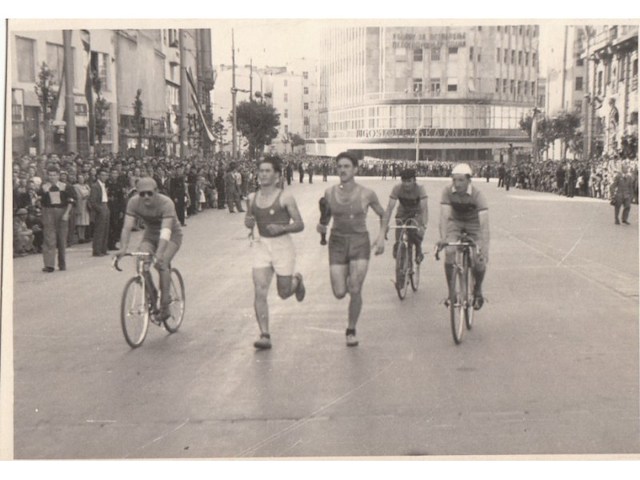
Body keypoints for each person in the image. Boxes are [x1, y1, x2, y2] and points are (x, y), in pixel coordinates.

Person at [318, 151, 385, 347]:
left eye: (347, 166)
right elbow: (325, 218)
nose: (342, 170)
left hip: (359, 242)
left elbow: (383, 214)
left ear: (355, 169)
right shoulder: (329, 193)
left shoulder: (366, 193)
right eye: (339, 166)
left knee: (355, 289)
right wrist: (321, 226)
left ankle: (351, 329)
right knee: (339, 292)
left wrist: (381, 237)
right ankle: (350, 281)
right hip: (337, 242)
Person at [244, 156, 306, 350]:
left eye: (267, 171)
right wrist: (249, 222)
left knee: (284, 292)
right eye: (261, 170)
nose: (263, 174)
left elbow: (299, 224)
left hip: (282, 246)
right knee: (260, 289)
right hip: (261, 245)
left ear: (277, 175)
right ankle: (264, 334)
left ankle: (296, 281)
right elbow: (249, 219)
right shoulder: (252, 198)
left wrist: (282, 228)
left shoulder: (285, 197)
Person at [116, 177, 183, 322]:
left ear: (156, 192)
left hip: (172, 235)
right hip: (150, 235)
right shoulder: (133, 202)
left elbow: (166, 231)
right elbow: (127, 227)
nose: (146, 196)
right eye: (142, 194)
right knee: (141, 262)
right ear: (137, 193)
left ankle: (165, 307)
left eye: (149, 193)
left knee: (162, 263)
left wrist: (159, 254)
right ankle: (152, 295)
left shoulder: (166, 203)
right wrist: (123, 248)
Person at [437, 163, 490, 310]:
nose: (457, 184)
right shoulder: (447, 191)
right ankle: (451, 292)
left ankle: (478, 289)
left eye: (461, 180)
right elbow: (444, 217)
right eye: (454, 180)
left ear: (469, 181)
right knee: (449, 252)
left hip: (474, 225)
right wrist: (443, 238)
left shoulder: (478, 195)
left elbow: (484, 224)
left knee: (478, 261)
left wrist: (484, 249)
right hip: (456, 223)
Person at [376, 168, 428, 265]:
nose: (406, 184)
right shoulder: (397, 188)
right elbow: (389, 208)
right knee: (399, 230)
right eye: (404, 181)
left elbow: (424, 209)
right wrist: (385, 226)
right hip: (403, 211)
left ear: (414, 180)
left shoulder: (420, 189)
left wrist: (423, 226)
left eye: (409, 181)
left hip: (417, 212)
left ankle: (418, 249)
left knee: (414, 232)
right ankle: (398, 248)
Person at [39, 165, 76, 272]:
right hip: (48, 212)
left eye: (54, 175)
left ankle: (62, 264)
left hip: (62, 211)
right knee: (49, 239)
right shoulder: (44, 187)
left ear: (58, 176)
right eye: (50, 175)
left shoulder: (65, 186)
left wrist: (66, 213)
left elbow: (71, 201)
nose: (52, 177)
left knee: (62, 239)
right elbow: (41, 202)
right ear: (47, 176)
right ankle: (49, 265)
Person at [89, 168, 110, 257]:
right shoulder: (95, 186)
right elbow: (93, 201)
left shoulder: (103, 185)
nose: (104, 177)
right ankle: (97, 250)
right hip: (100, 207)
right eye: (102, 175)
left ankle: (103, 249)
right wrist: (100, 210)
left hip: (105, 206)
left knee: (105, 229)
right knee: (99, 230)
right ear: (98, 176)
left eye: (105, 175)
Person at [73, 173, 91, 243]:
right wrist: (86, 195)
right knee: (79, 221)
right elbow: (79, 195)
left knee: (84, 221)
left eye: (82, 178)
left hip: (86, 204)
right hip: (80, 204)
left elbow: (90, 193)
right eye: (80, 178)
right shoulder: (75, 186)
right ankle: (80, 237)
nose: (81, 180)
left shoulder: (86, 186)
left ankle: (83, 236)